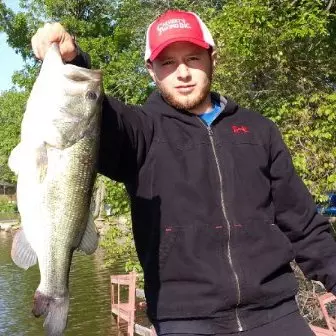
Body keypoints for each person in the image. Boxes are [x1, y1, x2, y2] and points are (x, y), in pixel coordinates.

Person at [31, 9, 336, 336]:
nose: (183, 73)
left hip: (278, 316)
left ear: (212, 58)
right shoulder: (141, 131)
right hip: (185, 322)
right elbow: (92, 117)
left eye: (193, 58)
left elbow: (304, 226)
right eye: (168, 63)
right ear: (151, 70)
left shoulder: (259, 131)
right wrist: (73, 61)